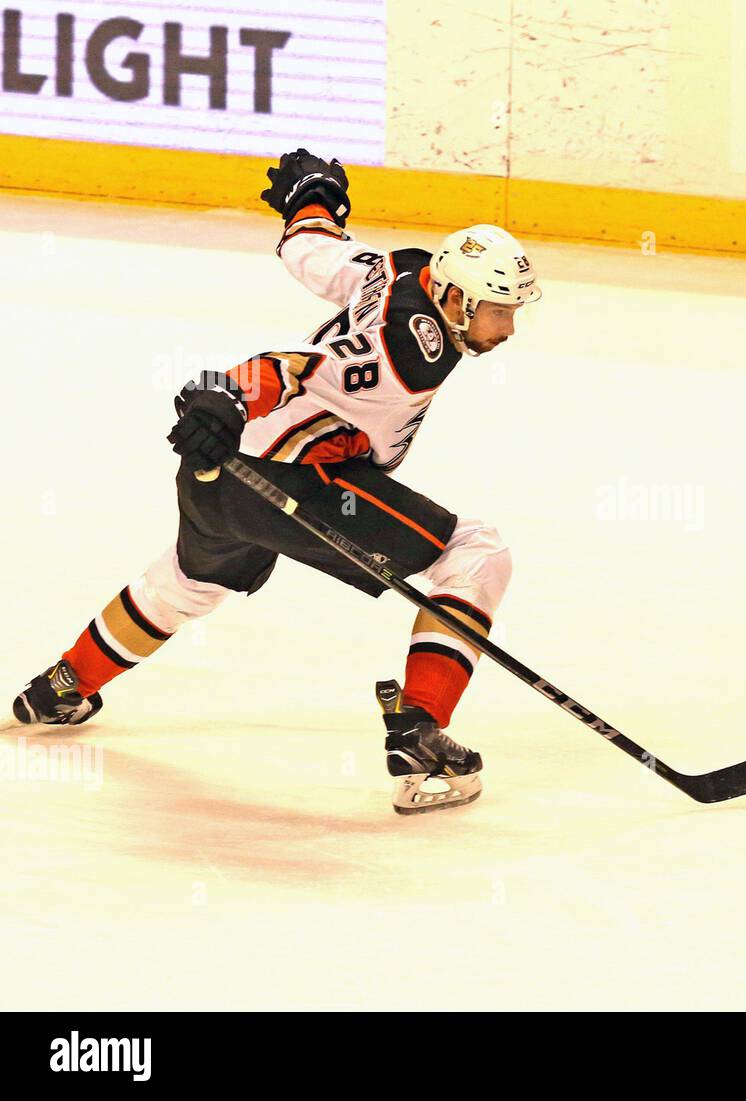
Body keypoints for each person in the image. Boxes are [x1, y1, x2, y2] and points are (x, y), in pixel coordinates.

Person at [12, 149, 541, 815]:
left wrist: (309, 202)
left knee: (185, 581)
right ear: (457, 299)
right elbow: (298, 367)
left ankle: (63, 686)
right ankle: (419, 730)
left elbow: (316, 253)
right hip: (293, 485)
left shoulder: (404, 269)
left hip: (217, 473)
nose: (509, 327)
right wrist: (226, 393)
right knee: (477, 553)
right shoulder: (407, 354)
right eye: (499, 311)